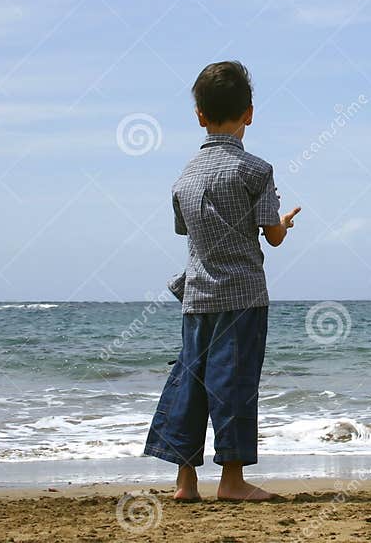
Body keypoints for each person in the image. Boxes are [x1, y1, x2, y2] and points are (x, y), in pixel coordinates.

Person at [144, 60, 300, 501]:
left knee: (188, 382)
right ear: (249, 113)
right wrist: (282, 222)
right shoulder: (256, 171)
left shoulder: (184, 177)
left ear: (199, 116)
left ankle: (184, 482)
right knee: (235, 384)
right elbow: (272, 238)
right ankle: (231, 481)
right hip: (242, 296)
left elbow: (189, 233)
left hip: (197, 296)